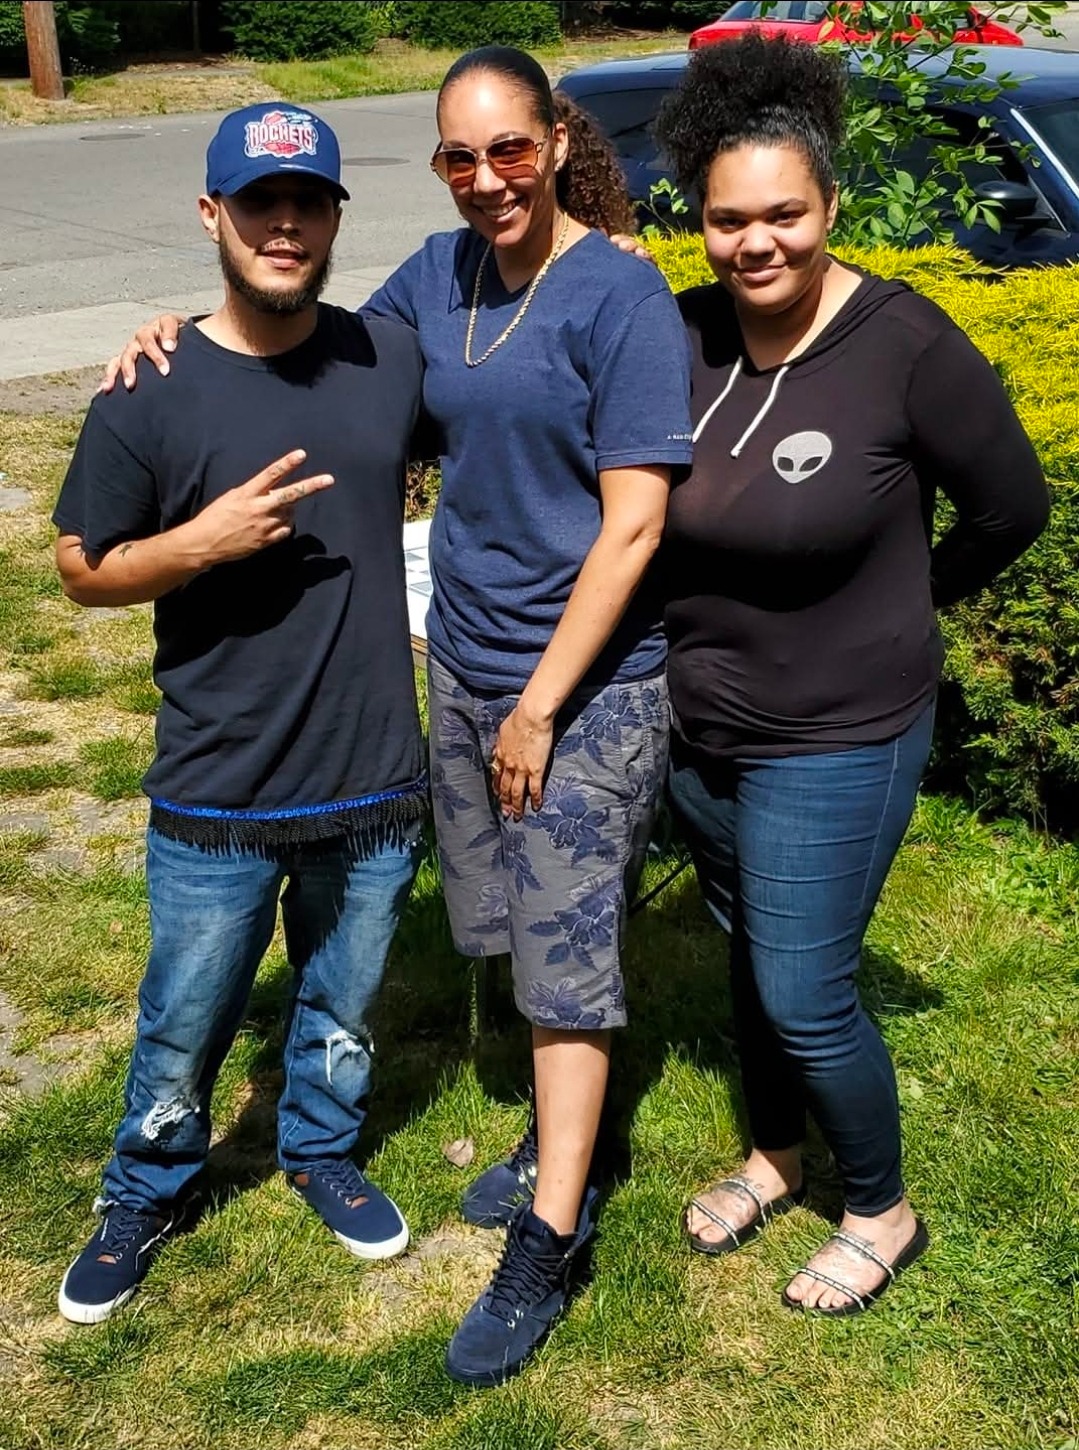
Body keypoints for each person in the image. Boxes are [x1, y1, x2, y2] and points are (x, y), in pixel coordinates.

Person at [103, 54, 692, 1383]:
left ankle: (551, 1231)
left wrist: (540, 705)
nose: (486, 179)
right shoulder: (440, 275)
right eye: (456, 157)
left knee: (564, 953)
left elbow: (635, 524)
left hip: (577, 686)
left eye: (509, 149)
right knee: (507, 925)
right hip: (468, 665)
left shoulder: (620, 295)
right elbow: (308, 354)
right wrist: (170, 344)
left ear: (555, 143)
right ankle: (554, 1137)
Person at [654, 35, 1049, 1316]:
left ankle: (880, 1207)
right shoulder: (683, 332)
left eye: (782, 213)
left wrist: (905, 603)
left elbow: (1010, 509)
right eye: (726, 219)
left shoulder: (905, 344)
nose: (753, 242)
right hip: (702, 718)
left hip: (839, 727)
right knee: (745, 952)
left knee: (803, 985)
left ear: (828, 204)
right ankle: (774, 1154)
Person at [52, 105, 428, 1326]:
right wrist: (197, 544)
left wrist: (612, 248)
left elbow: (516, 339)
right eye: (260, 202)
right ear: (212, 214)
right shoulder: (149, 389)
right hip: (219, 782)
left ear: (333, 220)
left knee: (343, 1004)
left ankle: (320, 1150)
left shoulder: (387, 358)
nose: (285, 225)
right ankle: (145, 1187)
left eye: (308, 202)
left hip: (372, 771)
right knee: (183, 1019)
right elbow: (81, 568)